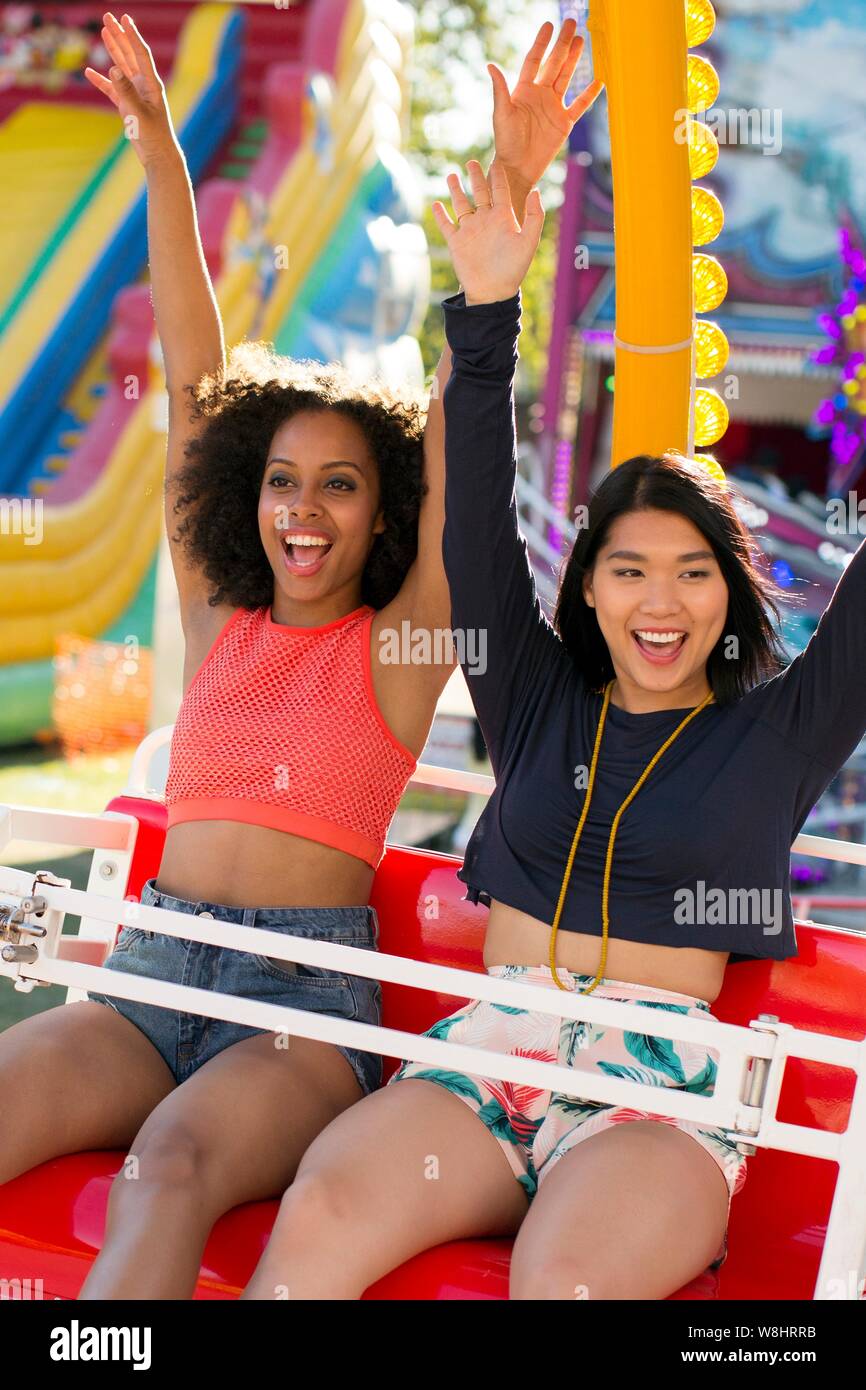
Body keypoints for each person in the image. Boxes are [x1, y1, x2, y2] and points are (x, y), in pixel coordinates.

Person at [0, 9, 593, 1303]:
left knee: (168, 1168)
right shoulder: (217, 607)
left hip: (301, 1001)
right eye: (280, 482)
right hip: (152, 964)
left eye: (338, 485)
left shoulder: (400, 647)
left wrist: (498, 240)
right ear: (245, 498)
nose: (303, 509)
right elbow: (194, 366)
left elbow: (455, 448)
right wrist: (161, 148)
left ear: (379, 513)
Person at [241, 167, 866, 1300]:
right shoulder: (533, 698)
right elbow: (474, 526)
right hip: (489, 1054)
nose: (659, 602)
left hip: (657, 1089)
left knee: (564, 1282)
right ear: (587, 591)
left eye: (691, 573)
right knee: (323, 1208)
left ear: (727, 595)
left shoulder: (778, 732)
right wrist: (486, 308)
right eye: (627, 570)